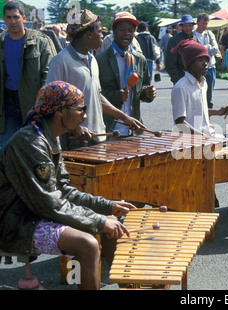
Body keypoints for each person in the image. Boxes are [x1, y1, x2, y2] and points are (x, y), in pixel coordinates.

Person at [0, 81, 135, 290]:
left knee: (111, 222)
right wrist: (99, 221)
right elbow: (50, 204)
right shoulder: (30, 143)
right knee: (87, 243)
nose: (85, 115)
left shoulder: (49, 137)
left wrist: (106, 206)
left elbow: (64, 191)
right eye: (81, 109)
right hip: (14, 223)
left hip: (34, 213)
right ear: (61, 111)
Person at [46, 8, 145, 151]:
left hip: (98, 136)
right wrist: (75, 128)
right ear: (88, 34)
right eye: (100, 31)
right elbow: (52, 103)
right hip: (76, 140)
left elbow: (96, 96)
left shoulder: (92, 59)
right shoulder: (60, 61)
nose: (102, 36)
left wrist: (124, 117)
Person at [0, 1, 55, 149]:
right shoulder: (1, 42)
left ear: (24, 18)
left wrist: (40, 105)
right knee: (6, 149)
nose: (13, 21)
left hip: (33, 102)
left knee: (35, 147)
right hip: (7, 103)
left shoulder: (40, 41)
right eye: (9, 17)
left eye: (16, 17)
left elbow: (49, 76)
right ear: (4, 19)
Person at [95, 12, 157, 136]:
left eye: (130, 30)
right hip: (109, 130)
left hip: (134, 129)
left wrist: (148, 93)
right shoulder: (100, 60)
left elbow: (142, 88)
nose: (127, 33)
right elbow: (94, 94)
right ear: (113, 31)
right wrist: (115, 95)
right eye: (122, 29)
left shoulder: (140, 59)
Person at [171, 39, 228, 136]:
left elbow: (197, 111)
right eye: (200, 60)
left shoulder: (204, 83)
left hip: (206, 134)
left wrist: (218, 112)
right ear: (189, 64)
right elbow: (180, 123)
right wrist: (203, 138)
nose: (205, 63)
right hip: (190, 140)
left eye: (206, 59)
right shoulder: (181, 88)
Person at [193, 13, 219, 109]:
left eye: (206, 23)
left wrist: (202, 50)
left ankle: (208, 120)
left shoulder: (209, 34)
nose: (205, 26)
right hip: (197, 69)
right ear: (197, 22)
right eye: (203, 23)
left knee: (209, 97)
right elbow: (193, 52)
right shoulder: (192, 35)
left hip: (210, 67)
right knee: (197, 95)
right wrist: (208, 48)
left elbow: (215, 50)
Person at [165, 14, 198, 84]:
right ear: (182, 26)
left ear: (193, 26)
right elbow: (169, 63)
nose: (188, 28)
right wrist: (177, 79)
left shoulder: (195, 38)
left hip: (194, 77)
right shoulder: (174, 40)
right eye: (185, 26)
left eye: (190, 25)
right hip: (180, 78)